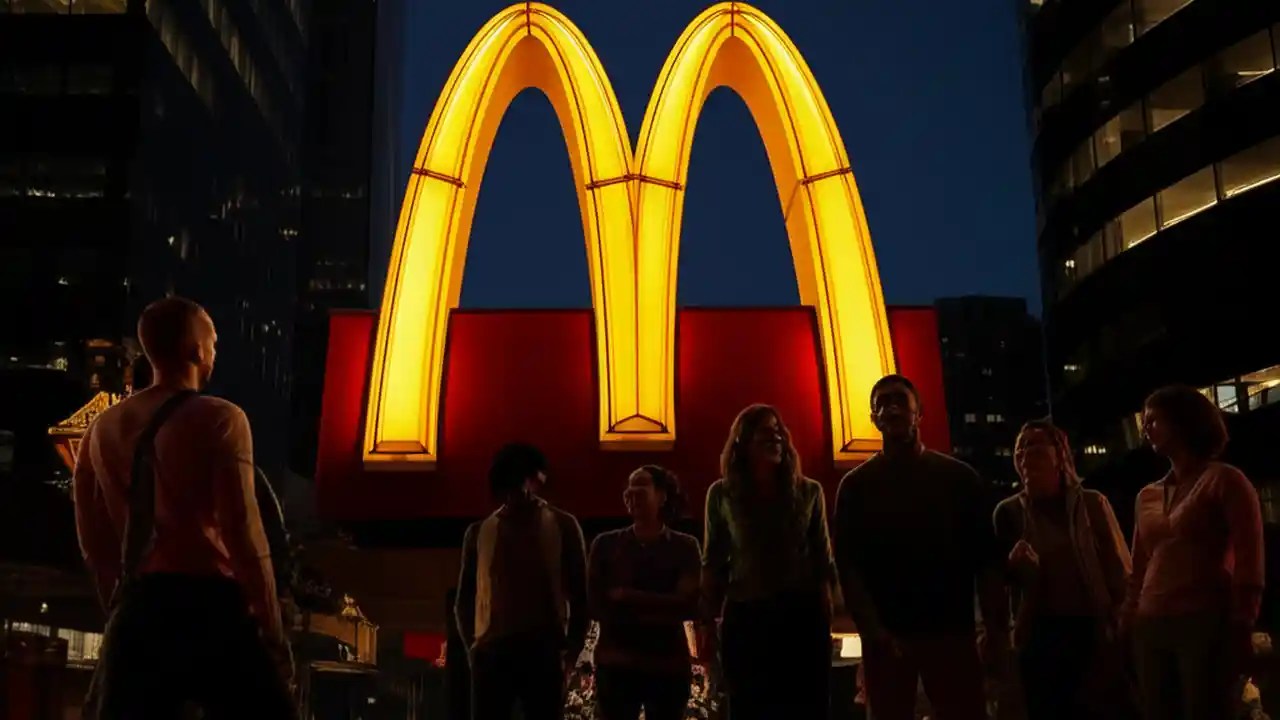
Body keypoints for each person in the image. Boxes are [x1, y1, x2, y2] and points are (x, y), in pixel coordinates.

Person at [74, 296, 293, 718]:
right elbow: (244, 532)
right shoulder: (221, 419)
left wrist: (120, 611)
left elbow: (94, 542)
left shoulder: (99, 430)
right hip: (213, 610)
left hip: (138, 612)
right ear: (195, 350)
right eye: (212, 342)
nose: (215, 352)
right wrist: (271, 625)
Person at [834, 374, 1008, 720]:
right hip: (888, 638)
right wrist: (874, 632)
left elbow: (986, 561)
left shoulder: (960, 479)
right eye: (882, 403)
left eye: (900, 399)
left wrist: (995, 631)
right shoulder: (855, 487)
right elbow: (847, 566)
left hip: (953, 635)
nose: (892, 407)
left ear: (919, 412)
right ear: (873, 418)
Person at [1123, 385, 1265, 720]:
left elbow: (1250, 556)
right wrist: (1128, 616)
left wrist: (1242, 621)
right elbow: (1140, 563)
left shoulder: (1225, 480)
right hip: (1151, 625)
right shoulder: (1147, 496)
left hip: (1203, 624)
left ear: (1182, 420)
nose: (1146, 428)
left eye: (1154, 419)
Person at [700, 404, 837, 720]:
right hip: (748, 615)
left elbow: (822, 557)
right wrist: (706, 619)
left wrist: (826, 608)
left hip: (801, 616)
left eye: (778, 430)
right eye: (765, 430)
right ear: (743, 442)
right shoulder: (722, 495)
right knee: (749, 706)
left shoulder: (809, 492)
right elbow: (714, 560)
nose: (775, 435)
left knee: (808, 706)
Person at [993, 419, 1132, 720]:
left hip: (1091, 632)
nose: (1026, 453)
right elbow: (996, 583)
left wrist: (1121, 624)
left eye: (1036, 445)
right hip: (1036, 636)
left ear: (1060, 455)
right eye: (1021, 447)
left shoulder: (1092, 505)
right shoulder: (1008, 513)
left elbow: (1120, 572)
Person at [454, 443, 589, 720]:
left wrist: (569, 657)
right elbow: (464, 601)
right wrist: (475, 651)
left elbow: (581, 598)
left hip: (540, 652)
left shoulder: (561, 524)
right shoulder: (479, 532)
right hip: (499, 654)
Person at [588, 465, 701, 720]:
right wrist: (662, 605)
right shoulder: (605, 545)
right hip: (616, 664)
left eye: (640, 486)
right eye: (629, 487)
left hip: (667, 666)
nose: (631, 493)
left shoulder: (685, 546)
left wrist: (627, 597)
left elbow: (688, 605)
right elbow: (596, 604)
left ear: (661, 496)